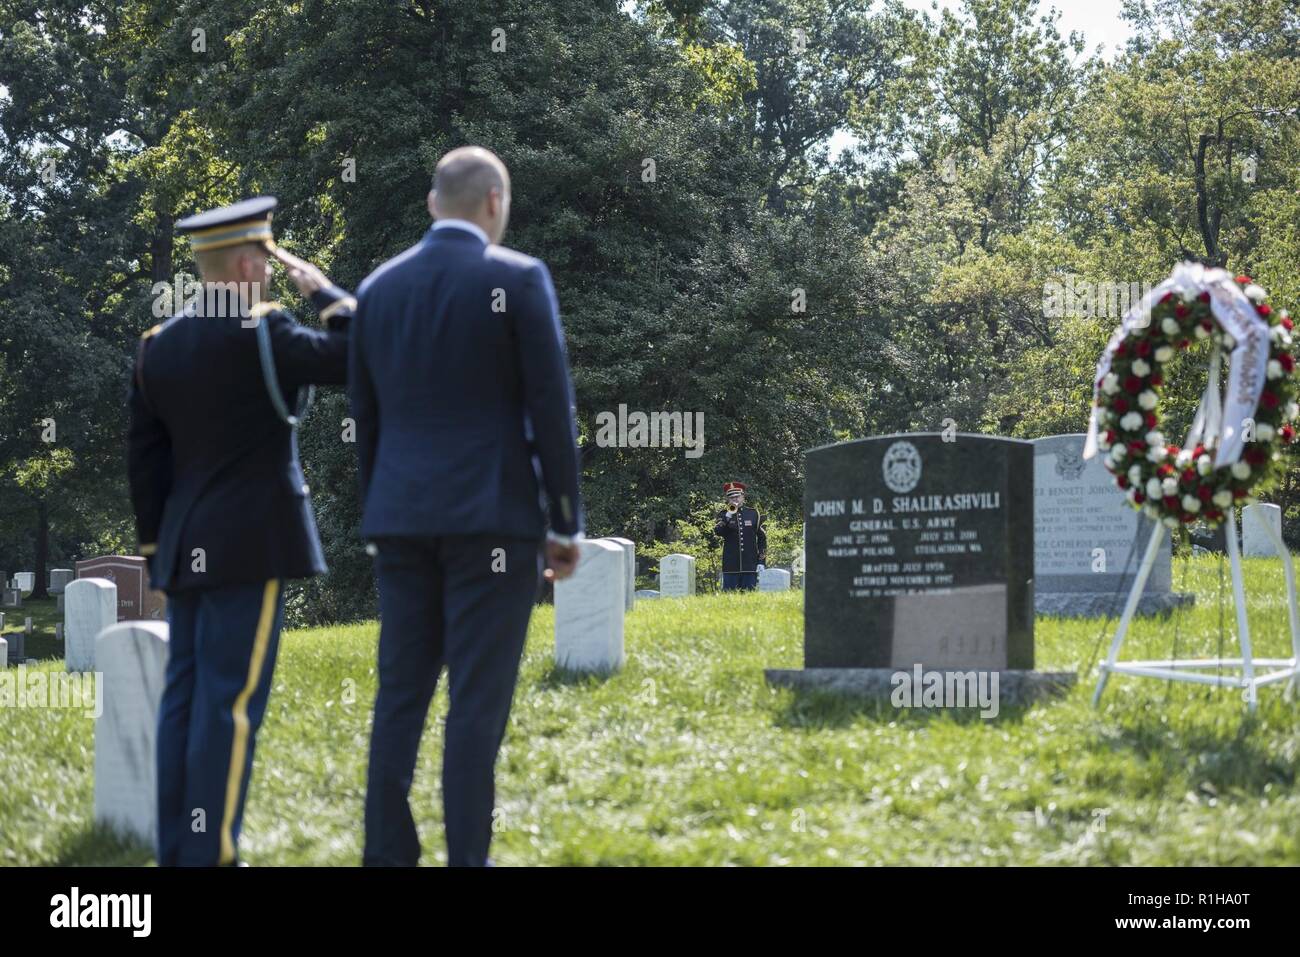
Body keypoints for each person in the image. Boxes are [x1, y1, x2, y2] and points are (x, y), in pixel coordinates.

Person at [350, 146, 583, 867]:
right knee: (475, 709)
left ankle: (388, 854)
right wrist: (564, 518)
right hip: (493, 519)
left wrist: (378, 508)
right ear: (494, 202)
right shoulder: (517, 279)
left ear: (431, 204)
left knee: (400, 699)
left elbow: (367, 418)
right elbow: (550, 404)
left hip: (401, 519)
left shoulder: (377, 289)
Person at [128, 196, 355, 866]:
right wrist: (325, 291)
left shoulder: (156, 347)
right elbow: (357, 354)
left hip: (182, 546)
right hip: (250, 542)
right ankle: (214, 852)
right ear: (252, 260)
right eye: (268, 255)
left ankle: (179, 848)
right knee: (228, 705)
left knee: (184, 700)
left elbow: (145, 460)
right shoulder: (265, 331)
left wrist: (155, 555)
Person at [713, 481, 766, 590]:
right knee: (730, 599)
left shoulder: (753, 513)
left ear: (743, 497)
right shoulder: (723, 514)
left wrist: (761, 561)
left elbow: (762, 538)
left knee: (750, 598)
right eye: (731, 497)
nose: (735, 499)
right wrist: (728, 515)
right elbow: (718, 531)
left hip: (750, 565)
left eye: (737, 496)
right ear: (728, 499)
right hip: (731, 566)